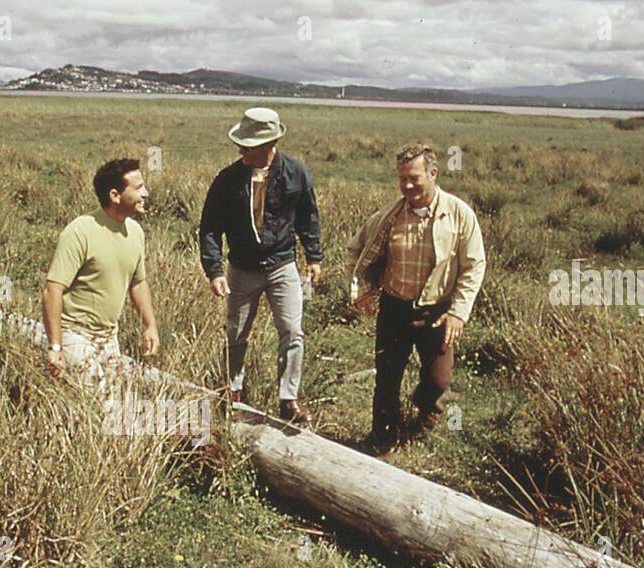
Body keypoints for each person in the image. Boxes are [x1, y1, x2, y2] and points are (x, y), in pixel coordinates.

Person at [345, 143, 486, 451]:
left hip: (437, 312)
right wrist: (363, 290)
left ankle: (426, 409)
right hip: (394, 309)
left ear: (433, 173)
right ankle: (382, 438)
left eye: (414, 178)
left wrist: (459, 312)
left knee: (439, 381)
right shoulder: (388, 217)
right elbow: (356, 249)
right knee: (386, 379)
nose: (407, 185)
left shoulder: (459, 214)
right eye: (402, 179)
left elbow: (474, 266)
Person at [198, 107, 322, 423]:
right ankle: (234, 392)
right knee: (236, 333)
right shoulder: (227, 180)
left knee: (292, 332)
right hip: (241, 268)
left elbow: (308, 216)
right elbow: (210, 226)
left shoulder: (296, 173)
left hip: (283, 266)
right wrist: (214, 270)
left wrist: (313, 256)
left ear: (268, 145)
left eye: (248, 146)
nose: (241, 150)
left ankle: (288, 398)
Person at [43, 158, 160, 394]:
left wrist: (150, 326)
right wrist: (56, 346)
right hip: (76, 335)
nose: (145, 193)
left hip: (109, 338)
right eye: (138, 188)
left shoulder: (135, 232)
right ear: (115, 195)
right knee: (99, 404)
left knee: (111, 402)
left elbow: (138, 283)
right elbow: (52, 290)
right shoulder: (80, 231)